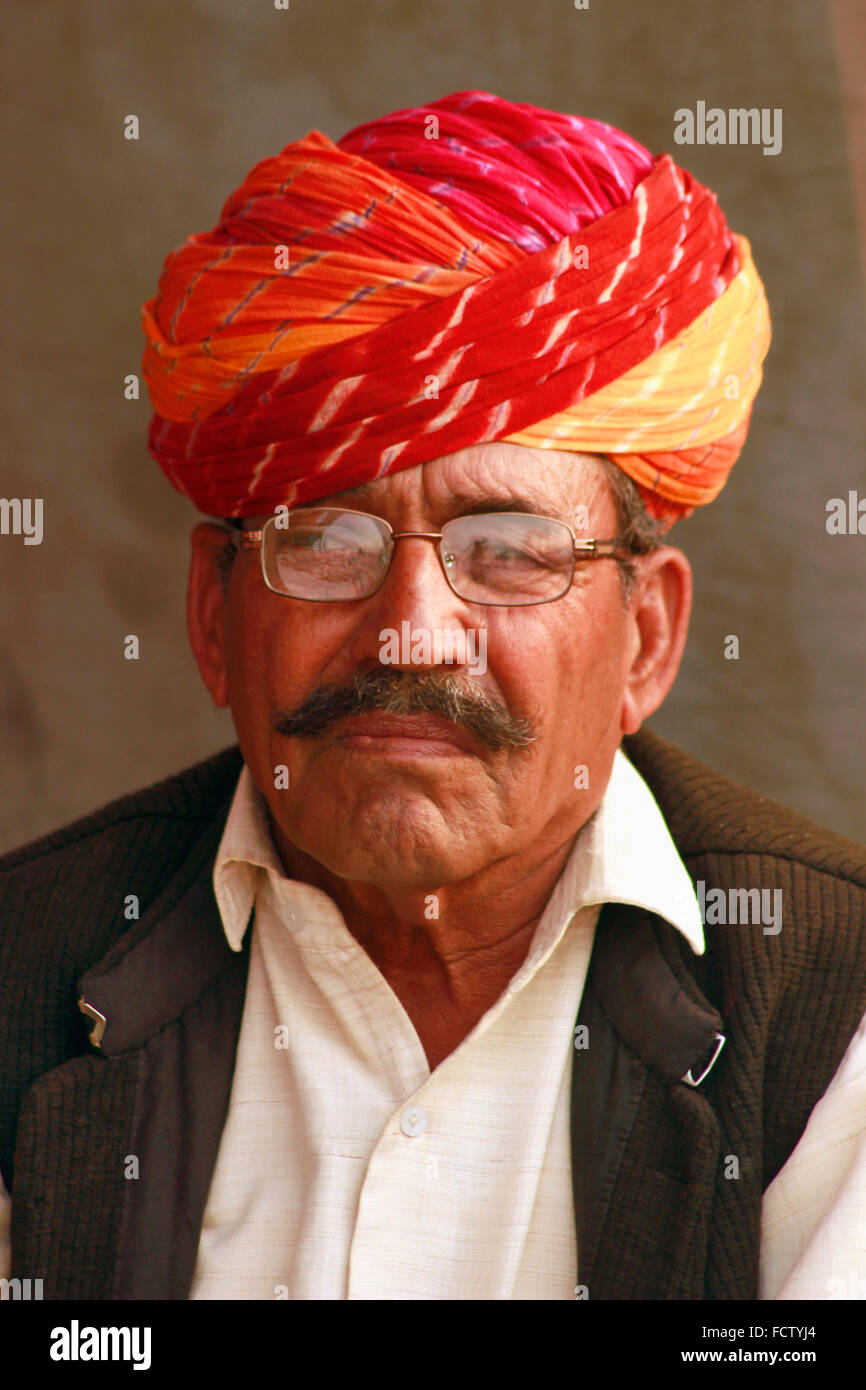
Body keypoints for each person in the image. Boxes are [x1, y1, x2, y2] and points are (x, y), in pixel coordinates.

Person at [1, 91, 865, 1302]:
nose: (411, 634)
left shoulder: (835, 1018)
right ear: (212, 614)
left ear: (645, 638)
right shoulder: (22, 972)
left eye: (508, 551)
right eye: (326, 541)